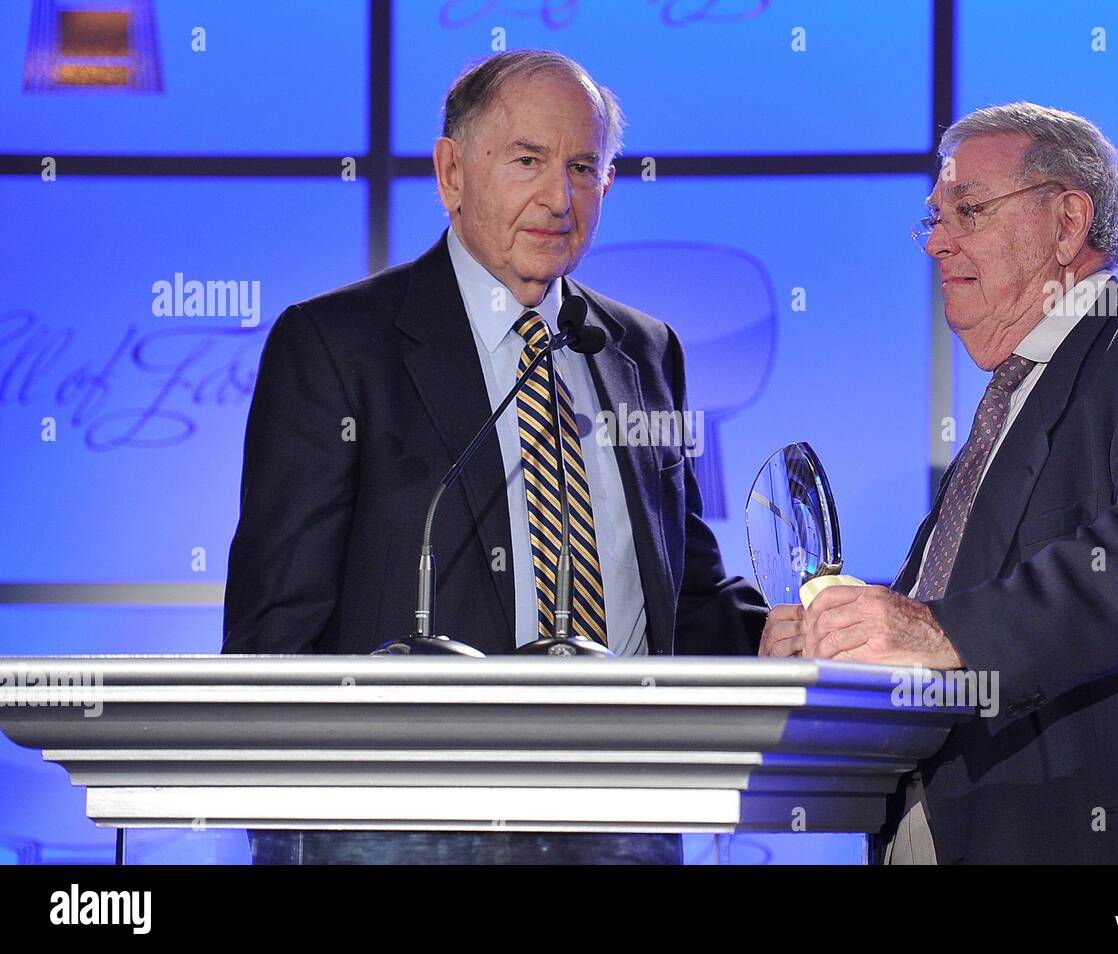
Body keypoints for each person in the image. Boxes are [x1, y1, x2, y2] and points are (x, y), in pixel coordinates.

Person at [223, 50, 767, 864]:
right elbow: (275, 642)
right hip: (405, 836)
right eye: (527, 162)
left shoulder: (644, 352)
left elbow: (679, 596)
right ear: (451, 173)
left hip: (624, 823)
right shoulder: (339, 348)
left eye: (585, 166)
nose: (560, 198)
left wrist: (776, 638)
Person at [761, 102, 1118, 864]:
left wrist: (938, 633)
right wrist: (836, 651)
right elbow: (948, 634)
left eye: (968, 211)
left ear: (1068, 222)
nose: (938, 243)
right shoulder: (1005, 404)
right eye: (933, 219)